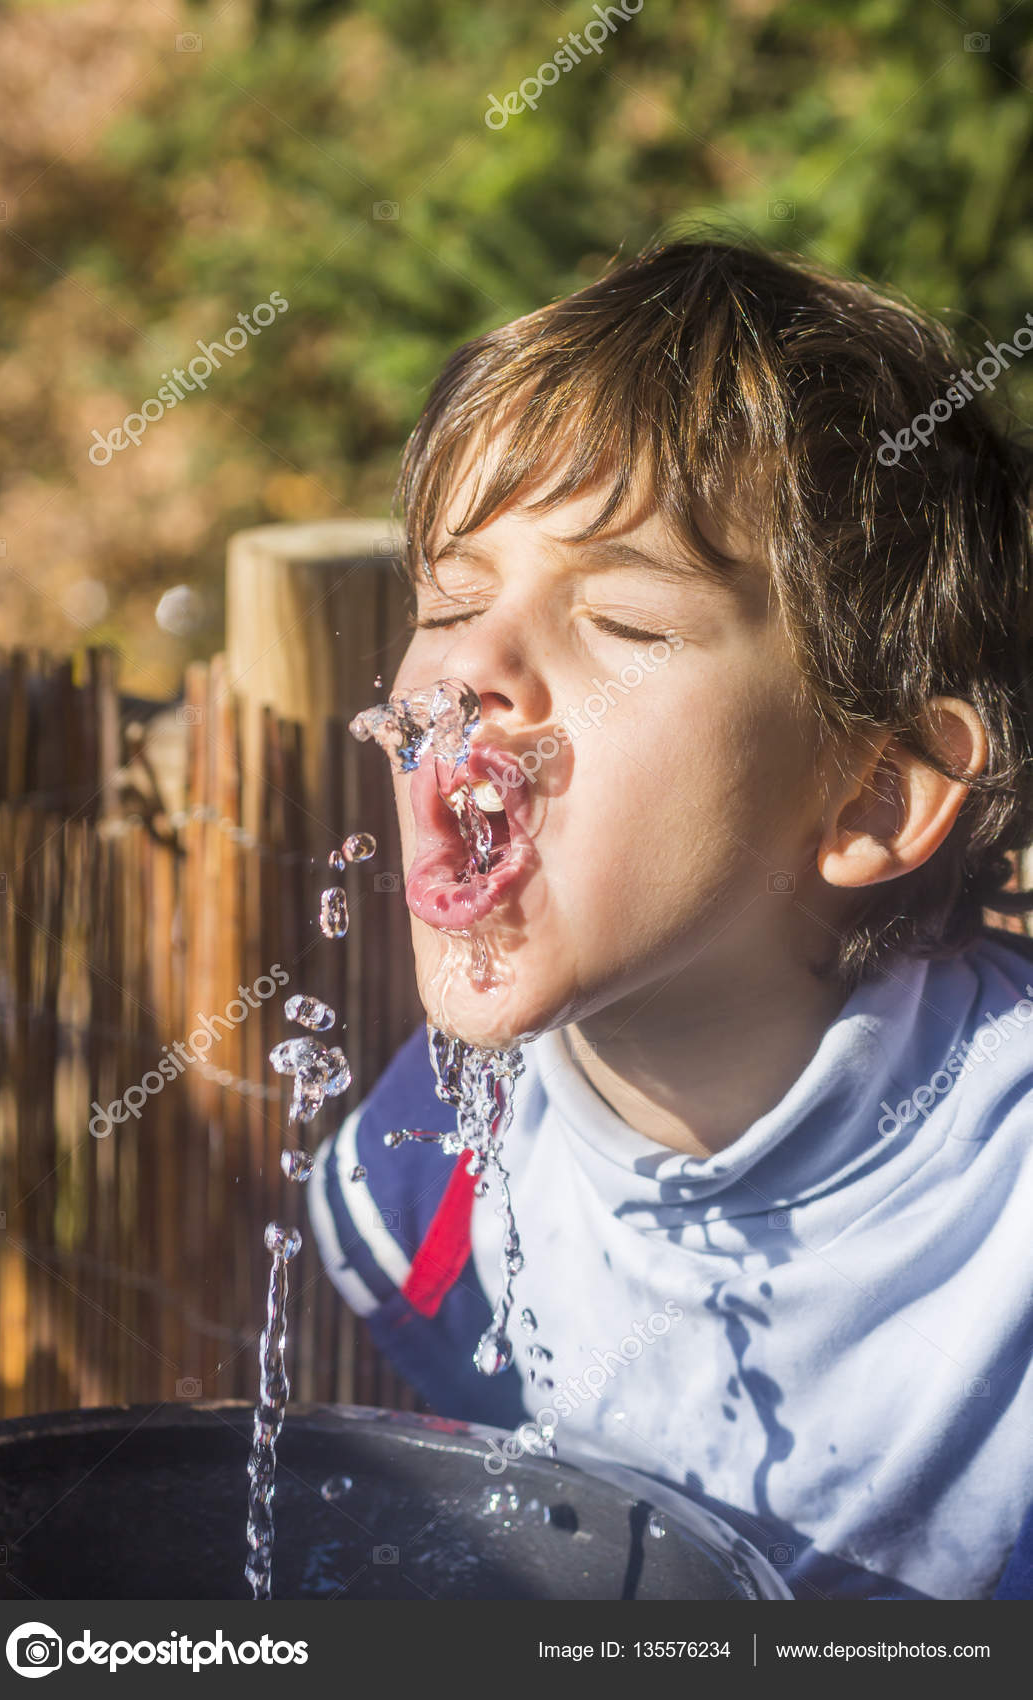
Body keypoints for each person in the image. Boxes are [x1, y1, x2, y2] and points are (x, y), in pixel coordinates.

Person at [308, 236, 1033, 1600]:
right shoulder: (431, 1177)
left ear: (872, 791)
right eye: (452, 602)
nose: (465, 669)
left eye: (628, 623)